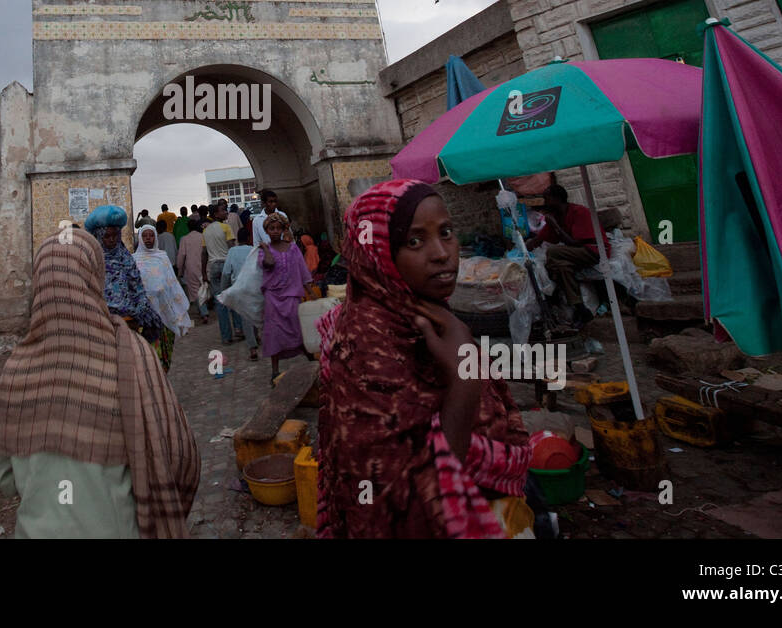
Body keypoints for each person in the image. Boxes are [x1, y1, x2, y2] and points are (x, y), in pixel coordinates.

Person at [315, 180, 532, 539]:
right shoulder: (365, 348)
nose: (442, 253)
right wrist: (465, 380)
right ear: (377, 254)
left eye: (446, 233)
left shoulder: (429, 319)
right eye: (414, 241)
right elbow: (408, 505)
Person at [0, 227, 199, 538]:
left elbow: (6, 481)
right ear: (96, 279)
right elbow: (178, 457)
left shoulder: (16, 370)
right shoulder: (130, 356)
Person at [525, 184, 608, 323]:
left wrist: (556, 226)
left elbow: (574, 243)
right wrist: (523, 248)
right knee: (562, 267)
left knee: (553, 253)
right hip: (574, 253)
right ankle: (581, 308)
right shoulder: (556, 216)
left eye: (547, 199)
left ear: (557, 199)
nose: (545, 203)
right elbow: (540, 239)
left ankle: (556, 289)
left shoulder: (579, 212)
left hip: (592, 250)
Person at [85, 205, 164, 347]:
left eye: (115, 235)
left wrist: (143, 309)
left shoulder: (126, 258)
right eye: (107, 236)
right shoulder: (91, 261)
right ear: (98, 236)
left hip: (129, 322)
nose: (112, 240)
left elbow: (137, 287)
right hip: (101, 325)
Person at [258, 212, 312, 385]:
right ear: (266, 230)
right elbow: (269, 264)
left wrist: (309, 291)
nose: (274, 231)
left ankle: (313, 360)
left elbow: (302, 269)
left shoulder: (293, 248)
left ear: (283, 229)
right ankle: (274, 371)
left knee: (298, 329)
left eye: (277, 228)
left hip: (291, 295)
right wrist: (266, 249)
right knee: (274, 333)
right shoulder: (264, 250)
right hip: (273, 297)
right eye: (271, 228)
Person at [133, 225, 191, 372]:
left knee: (165, 354)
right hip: (144, 316)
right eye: (144, 236)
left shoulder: (162, 257)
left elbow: (172, 283)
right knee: (150, 356)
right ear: (140, 238)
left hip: (164, 312)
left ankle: (162, 382)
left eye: (151, 235)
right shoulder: (133, 260)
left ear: (155, 237)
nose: (148, 239)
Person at [202, 201, 244, 345]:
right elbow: (232, 248)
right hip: (226, 264)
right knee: (233, 297)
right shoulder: (226, 227)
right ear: (215, 214)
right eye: (223, 210)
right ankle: (238, 329)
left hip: (213, 267)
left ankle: (226, 337)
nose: (226, 212)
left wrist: (204, 273)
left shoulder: (205, 231)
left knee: (220, 302)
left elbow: (204, 253)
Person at [221, 225, 259, 359]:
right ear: (249, 238)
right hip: (254, 286)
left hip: (239, 287)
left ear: (237, 239)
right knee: (254, 313)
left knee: (246, 318)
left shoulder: (232, 251)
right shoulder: (253, 250)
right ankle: (255, 337)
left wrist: (224, 289)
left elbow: (226, 273)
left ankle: (253, 348)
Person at [175, 216, 208, 325]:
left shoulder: (184, 239)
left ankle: (204, 313)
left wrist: (180, 270)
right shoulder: (203, 236)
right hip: (204, 265)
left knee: (195, 290)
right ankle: (203, 311)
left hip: (191, 267)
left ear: (188, 228)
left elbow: (181, 255)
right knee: (203, 288)